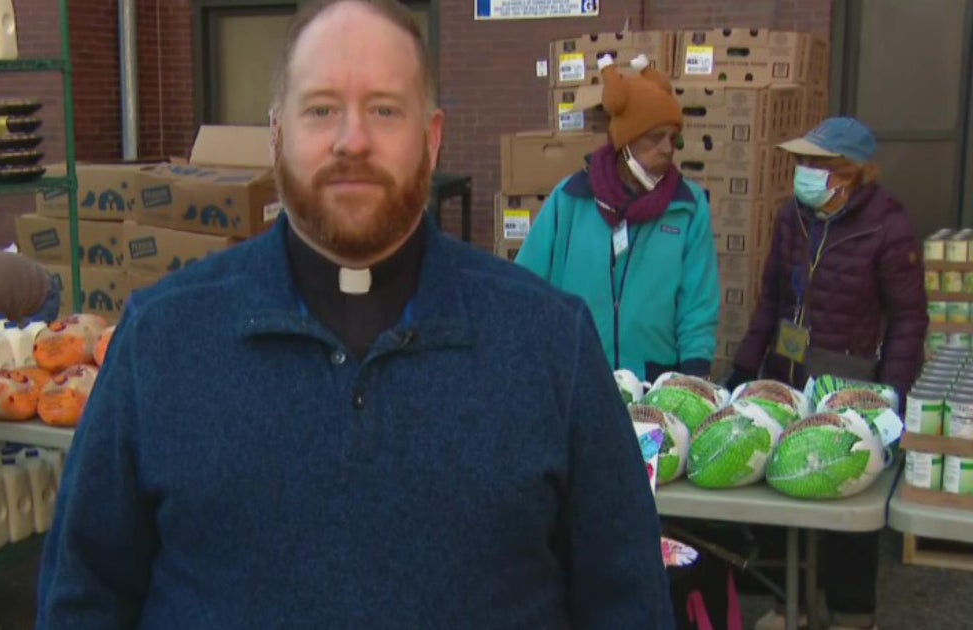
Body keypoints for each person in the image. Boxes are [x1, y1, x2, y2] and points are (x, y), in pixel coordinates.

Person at [36, 0, 673, 627]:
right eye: (321, 110)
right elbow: (81, 598)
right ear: (278, 132)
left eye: (384, 110)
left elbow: (628, 601)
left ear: (432, 137)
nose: (353, 140)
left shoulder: (548, 343)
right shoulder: (162, 340)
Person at [728, 117, 927, 630]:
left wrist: (894, 394)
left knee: (843, 506)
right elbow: (772, 298)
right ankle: (788, 603)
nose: (803, 172)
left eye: (814, 163)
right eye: (801, 162)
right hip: (788, 378)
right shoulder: (791, 216)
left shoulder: (888, 224)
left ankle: (852, 614)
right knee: (782, 491)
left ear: (848, 171)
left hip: (853, 386)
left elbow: (908, 318)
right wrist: (746, 364)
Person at [515, 54, 720, 383]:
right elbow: (525, 287)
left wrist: (695, 374)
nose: (668, 148)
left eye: (674, 138)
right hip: (576, 375)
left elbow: (699, 300)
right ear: (625, 142)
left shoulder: (689, 207)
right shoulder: (570, 199)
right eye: (656, 138)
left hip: (657, 382)